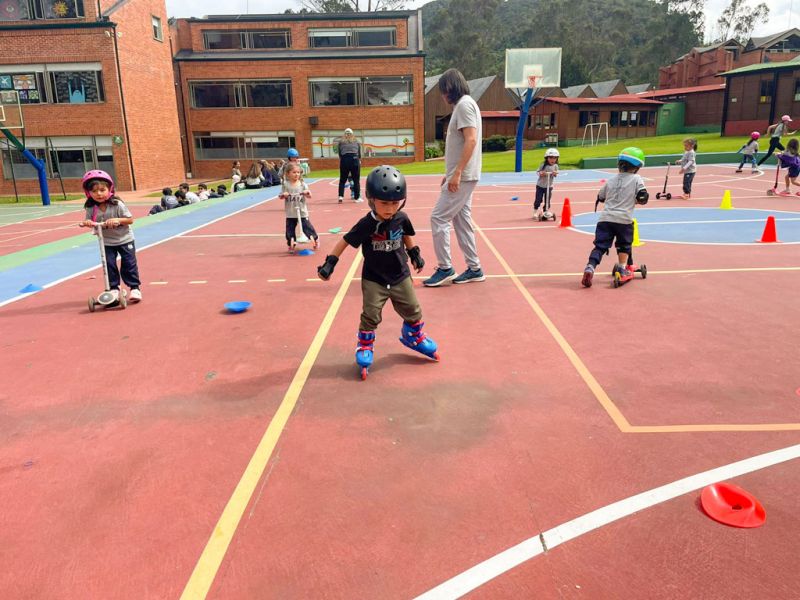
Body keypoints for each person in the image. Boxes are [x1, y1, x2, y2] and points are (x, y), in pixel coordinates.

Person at [316, 165, 438, 379]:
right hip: (374, 279)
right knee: (370, 315)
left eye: (395, 203)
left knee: (413, 309)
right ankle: (365, 345)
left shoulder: (401, 217)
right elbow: (345, 241)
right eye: (384, 203)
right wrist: (330, 263)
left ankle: (413, 336)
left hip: (400, 275)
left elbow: (406, 235)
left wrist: (414, 254)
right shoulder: (366, 224)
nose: (390, 208)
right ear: (371, 200)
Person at [424, 68, 484, 286]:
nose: (442, 95)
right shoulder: (465, 105)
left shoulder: (465, 105)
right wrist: (450, 173)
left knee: (438, 218)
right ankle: (474, 268)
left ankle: (445, 267)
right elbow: (461, 144)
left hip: (464, 176)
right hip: (463, 175)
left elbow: (471, 140)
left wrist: (457, 173)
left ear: (451, 87)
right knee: (462, 221)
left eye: (443, 90)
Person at [581, 147, 649, 288]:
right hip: (623, 220)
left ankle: (590, 266)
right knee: (624, 245)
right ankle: (622, 268)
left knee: (600, 246)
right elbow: (642, 196)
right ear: (637, 167)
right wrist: (637, 199)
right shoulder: (636, 179)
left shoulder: (611, 180)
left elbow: (601, 196)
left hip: (605, 219)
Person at [78, 170, 142, 303]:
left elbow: (130, 220)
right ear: (88, 193)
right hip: (106, 241)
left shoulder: (117, 204)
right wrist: (87, 223)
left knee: (129, 264)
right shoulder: (91, 208)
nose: (99, 194)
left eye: (102, 190)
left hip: (124, 239)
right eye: (94, 191)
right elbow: (90, 221)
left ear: (110, 189)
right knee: (109, 265)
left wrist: (117, 220)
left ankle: (134, 288)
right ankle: (114, 288)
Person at [280, 162, 319, 253]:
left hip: (302, 211)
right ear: (288, 173)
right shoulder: (285, 184)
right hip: (291, 212)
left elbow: (309, 195)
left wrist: (307, 193)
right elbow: (281, 196)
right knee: (289, 229)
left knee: (307, 226)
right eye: (294, 172)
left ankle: (315, 239)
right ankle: (291, 243)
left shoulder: (302, 184)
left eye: (298, 172)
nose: (296, 174)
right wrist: (284, 194)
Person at [337, 128, 362, 203]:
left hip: (344, 159)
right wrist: (359, 159)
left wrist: (343, 159)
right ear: (352, 134)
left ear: (344, 134)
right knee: (356, 180)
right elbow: (359, 152)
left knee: (342, 180)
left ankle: (340, 196)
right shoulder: (356, 141)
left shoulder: (341, 142)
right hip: (354, 159)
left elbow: (340, 153)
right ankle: (357, 198)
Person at [534, 148, 559, 219]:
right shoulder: (543, 165)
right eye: (550, 158)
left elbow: (556, 174)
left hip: (549, 186)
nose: (552, 160)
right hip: (540, 186)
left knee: (547, 200)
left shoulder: (555, 166)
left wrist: (555, 173)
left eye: (555, 158)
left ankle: (546, 211)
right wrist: (541, 173)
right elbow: (537, 172)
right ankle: (535, 211)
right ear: (547, 158)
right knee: (538, 199)